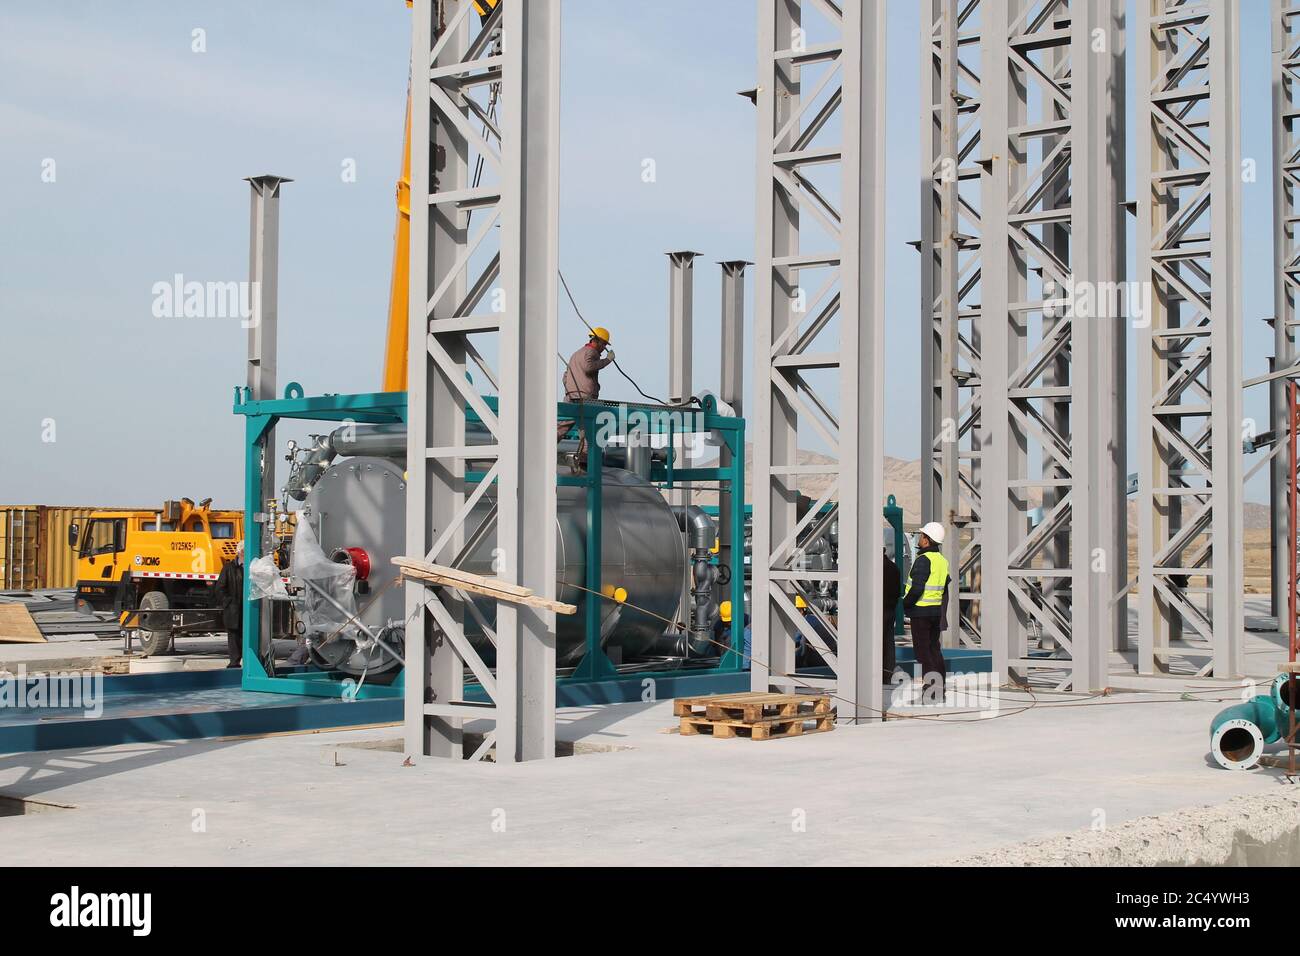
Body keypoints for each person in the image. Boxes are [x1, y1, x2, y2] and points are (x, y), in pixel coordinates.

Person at [903, 522, 950, 700]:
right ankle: (940, 687)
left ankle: (931, 689)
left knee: (923, 652)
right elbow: (944, 588)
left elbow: (917, 588)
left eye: (922, 536)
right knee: (934, 649)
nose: (920, 538)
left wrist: (905, 604)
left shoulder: (923, 560)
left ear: (927, 540)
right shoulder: (941, 561)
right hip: (935, 612)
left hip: (921, 612)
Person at [559, 328, 615, 469]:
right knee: (589, 430)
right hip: (584, 398)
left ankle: (543, 449)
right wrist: (607, 360)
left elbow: (565, 376)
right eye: (604, 345)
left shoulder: (576, 354)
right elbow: (589, 367)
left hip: (571, 397)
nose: (603, 349)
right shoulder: (591, 352)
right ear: (598, 341)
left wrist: (570, 390)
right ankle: (585, 465)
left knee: (563, 427)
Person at [216, 540, 245, 669]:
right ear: (239, 552)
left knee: (248, 635)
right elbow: (220, 588)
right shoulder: (229, 568)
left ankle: (251, 661)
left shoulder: (252, 567)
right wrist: (228, 602)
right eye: (244, 551)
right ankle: (234, 662)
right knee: (234, 635)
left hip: (248, 608)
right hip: (234, 608)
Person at [883, 546, 901, 684]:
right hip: (890, 609)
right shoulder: (893, 567)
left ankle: (875, 674)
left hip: (878, 611)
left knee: (875, 643)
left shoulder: (874, 567)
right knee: (889, 643)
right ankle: (887, 675)